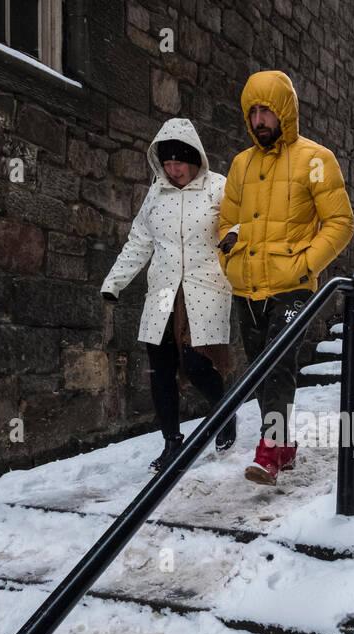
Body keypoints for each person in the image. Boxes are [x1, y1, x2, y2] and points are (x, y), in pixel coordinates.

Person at [218, 70, 354, 485]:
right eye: (253, 111)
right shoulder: (241, 165)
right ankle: (284, 445)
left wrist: (305, 265)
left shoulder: (315, 161)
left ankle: (270, 448)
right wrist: (229, 251)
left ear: (285, 113)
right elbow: (227, 221)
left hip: (293, 286)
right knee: (262, 369)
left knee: (277, 365)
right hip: (247, 286)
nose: (260, 120)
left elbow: (340, 222)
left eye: (267, 112)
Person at [101, 118, 236, 472]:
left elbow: (241, 221)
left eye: (179, 162)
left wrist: (235, 235)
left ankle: (225, 412)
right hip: (162, 291)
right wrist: (114, 282)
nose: (172, 169)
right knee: (160, 369)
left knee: (196, 362)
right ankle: (172, 443)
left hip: (205, 287)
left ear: (195, 159)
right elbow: (139, 242)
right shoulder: (155, 195)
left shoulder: (218, 188)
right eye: (167, 163)